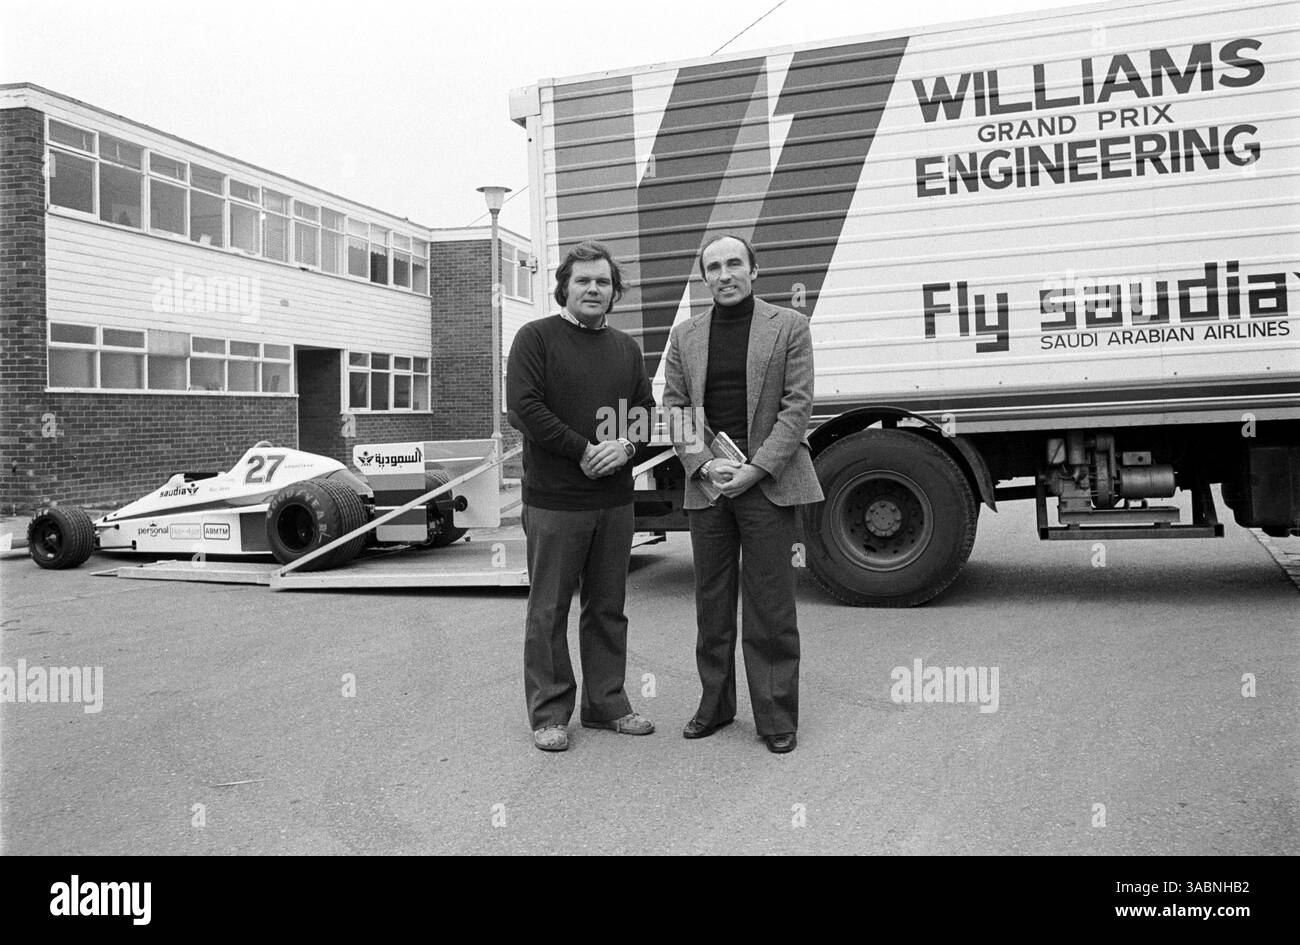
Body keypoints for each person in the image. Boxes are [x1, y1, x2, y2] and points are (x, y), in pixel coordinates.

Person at [662, 234, 823, 753]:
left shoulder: (789, 326)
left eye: (735, 264)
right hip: (710, 486)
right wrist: (704, 463)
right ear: (704, 277)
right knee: (711, 604)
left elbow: (797, 407)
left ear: (754, 270)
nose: (724, 274)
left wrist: (756, 469)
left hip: (767, 485)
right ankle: (715, 705)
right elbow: (674, 408)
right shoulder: (685, 335)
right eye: (714, 267)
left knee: (770, 606)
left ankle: (775, 716)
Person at [506, 241, 657, 752]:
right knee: (548, 610)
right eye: (583, 281)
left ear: (614, 292)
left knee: (608, 608)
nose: (594, 289)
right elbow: (524, 407)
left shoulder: (625, 348)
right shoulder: (535, 338)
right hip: (555, 502)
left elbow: (644, 411)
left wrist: (625, 447)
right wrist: (583, 450)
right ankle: (550, 713)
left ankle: (606, 705)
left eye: (603, 282)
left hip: (614, 501)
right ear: (564, 288)